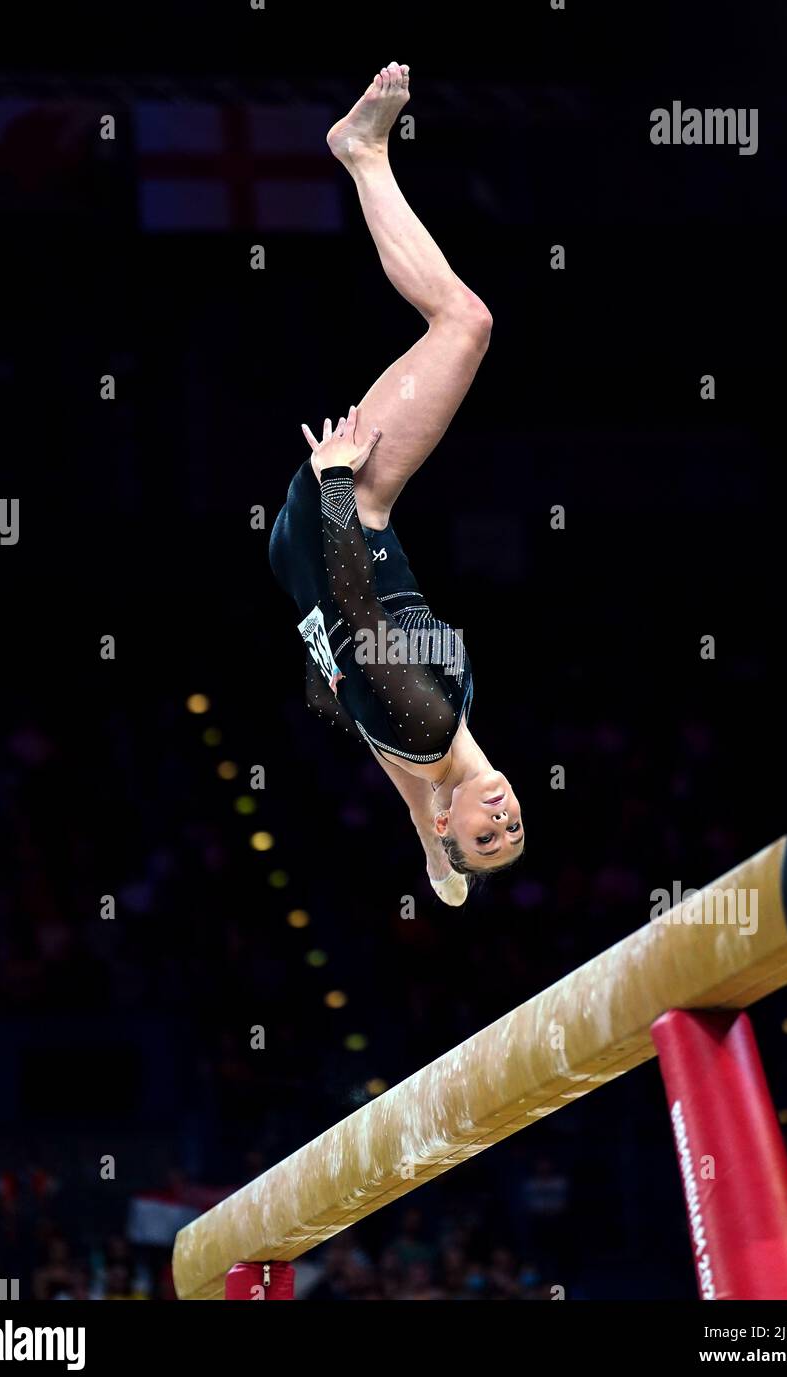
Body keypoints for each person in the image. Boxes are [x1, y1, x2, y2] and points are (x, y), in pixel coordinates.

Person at [269, 63, 524, 904]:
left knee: (466, 324)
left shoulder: (430, 717)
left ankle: (363, 155)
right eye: (514, 828)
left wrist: (339, 483)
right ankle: (434, 866)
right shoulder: (435, 750)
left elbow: (357, 603)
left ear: (458, 822)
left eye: (484, 833)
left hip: (340, 523)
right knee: (414, 757)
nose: (504, 815)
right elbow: (404, 767)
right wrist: (435, 855)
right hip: (299, 559)